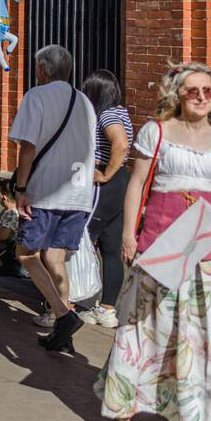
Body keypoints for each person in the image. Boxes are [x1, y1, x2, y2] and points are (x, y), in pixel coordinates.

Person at [95, 63, 211, 421]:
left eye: (208, 91)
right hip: (161, 245)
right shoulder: (155, 132)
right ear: (177, 95)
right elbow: (138, 184)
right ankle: (127, 398)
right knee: (144, 325)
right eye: (192, 90)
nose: (201, 96)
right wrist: (129, 234)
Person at [7, 45, 96, 353]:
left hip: (45, 191)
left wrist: (21, 190)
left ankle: (63, 313)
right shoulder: (83, 101)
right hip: (80, 193)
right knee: (56, 258)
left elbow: (28, 146)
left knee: (26, 254)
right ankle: (63, 330)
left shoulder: (36, 96)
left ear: (43, 69)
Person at [79, 68, 132, 329]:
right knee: (111, 248)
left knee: (77, 240)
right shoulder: (121, 111)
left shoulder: (107, 114)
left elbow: (120, 144)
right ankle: (107, 310)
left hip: (106, 185)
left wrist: (104, 174)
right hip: (121, 183)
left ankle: (60, 307)